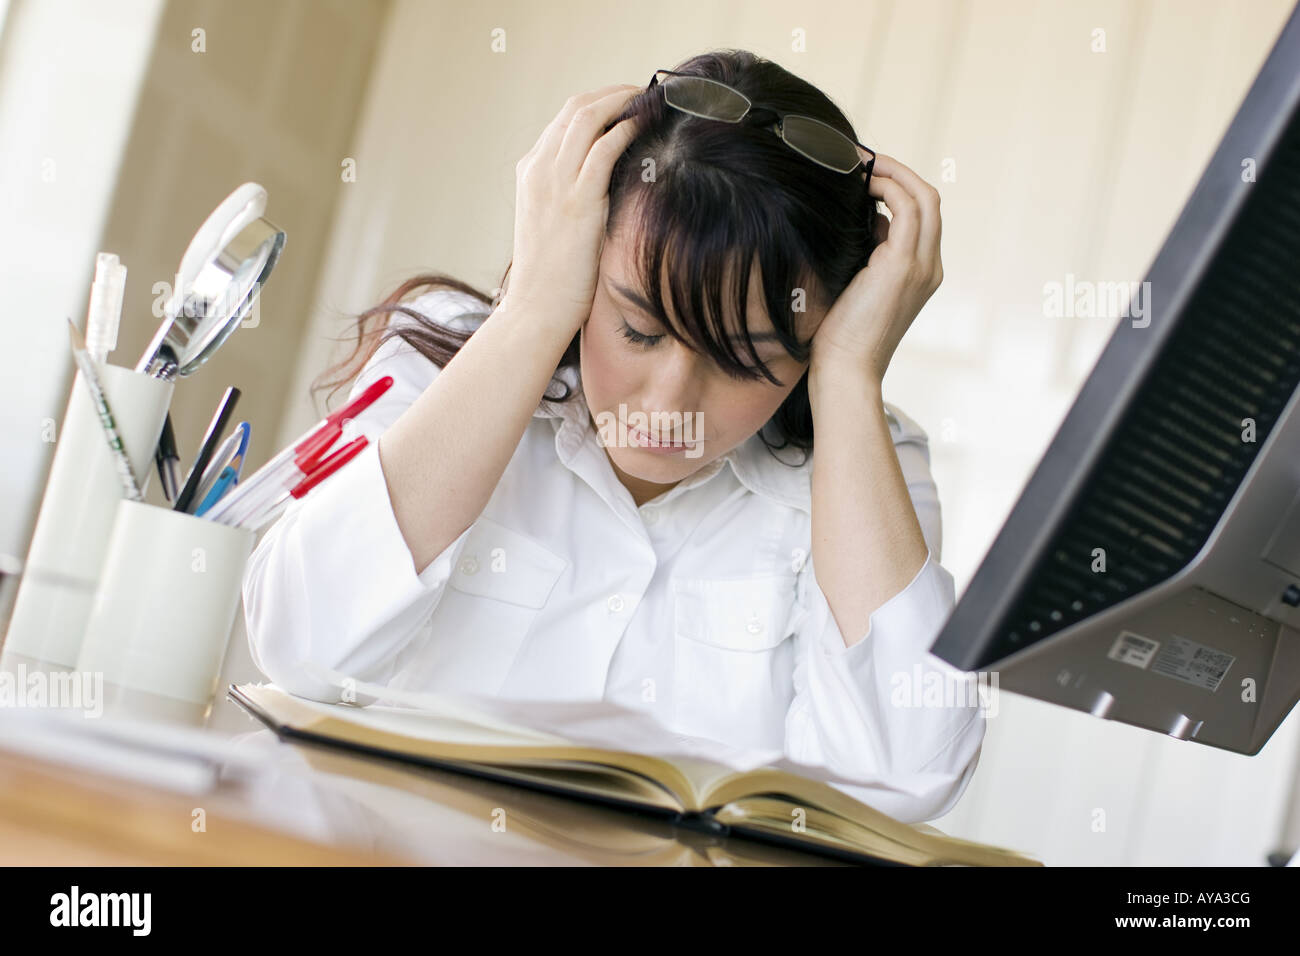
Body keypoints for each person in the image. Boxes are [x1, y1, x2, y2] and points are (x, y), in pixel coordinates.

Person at [243, 49, 986, 822]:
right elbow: (299, 645)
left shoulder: (863, 459)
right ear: (580, 254)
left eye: (748, 360)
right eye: (637, 329)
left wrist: (848, 379)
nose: (670, 404)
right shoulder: (449, 363)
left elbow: (907, 782)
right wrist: (531, 311)